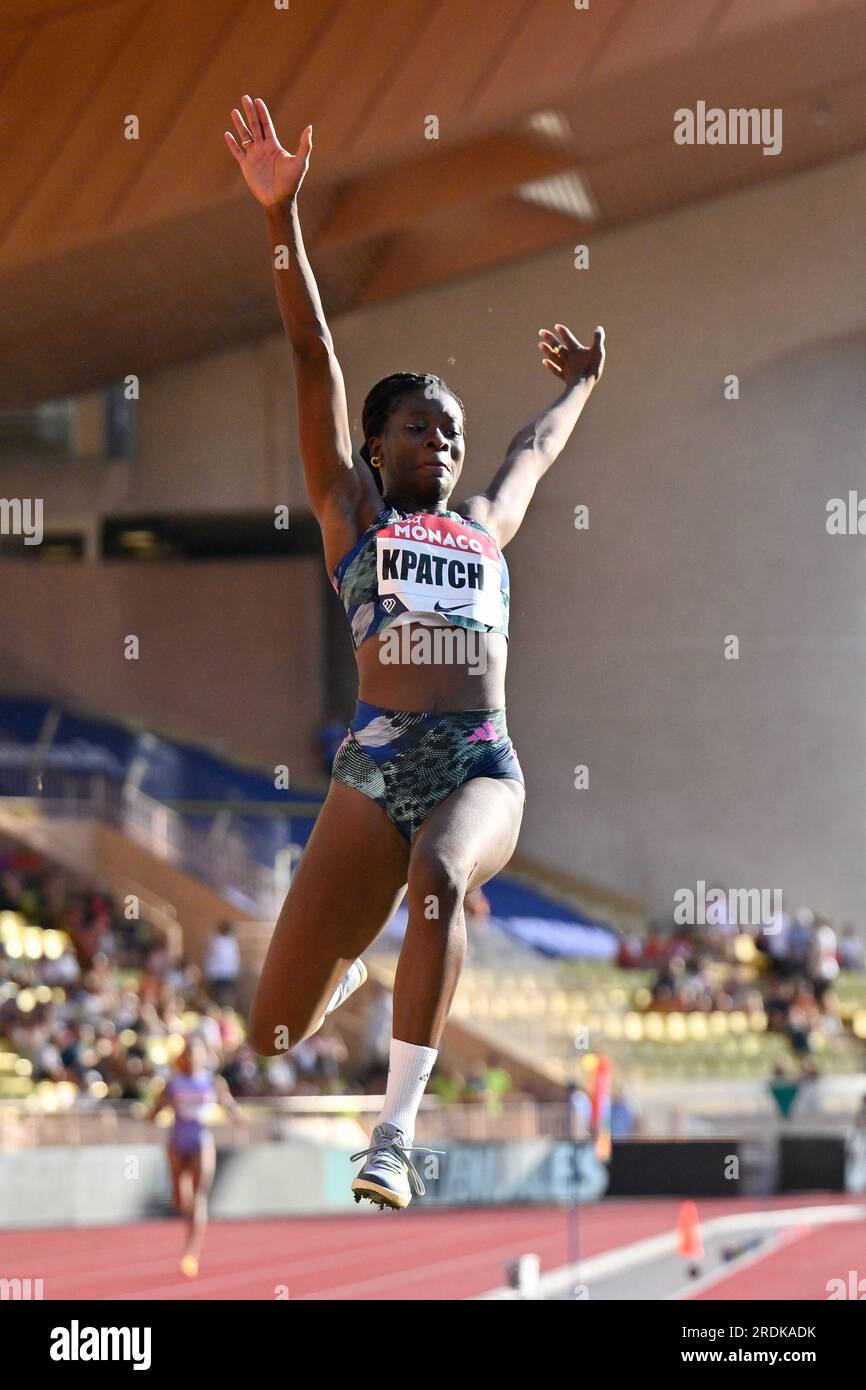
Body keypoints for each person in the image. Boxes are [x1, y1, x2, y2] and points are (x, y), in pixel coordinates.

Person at [225, 95, 605, 1210]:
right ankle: (349, 961)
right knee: (274, 1029)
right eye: (415, 425)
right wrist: (279, 218)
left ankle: (390, 1137)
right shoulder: (354, 517)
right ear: (373, 446)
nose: (437, 439)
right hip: (371, 767)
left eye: (448, 427)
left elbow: (531, 451)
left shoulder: (481, 525)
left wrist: (579, 383)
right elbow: (310, 348)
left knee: (440, 877)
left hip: (480, 762)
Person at [147, 1035, 245, 1278]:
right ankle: (188, 1213)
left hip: (201, 1139)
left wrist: (237, 1116)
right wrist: (158, 1107)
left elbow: (229, 1105)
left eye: (196, 1051)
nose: (192, 1056)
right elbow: (155, 1111)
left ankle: (191, 1253)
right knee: (181, 1199)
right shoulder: (173, 1082)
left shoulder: (213, 1082)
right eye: (188, 1052)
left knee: (199, 1196)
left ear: (204, 1055)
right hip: (178, 1141)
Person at [202, 921, 241, 1008]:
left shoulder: (216, 941)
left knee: (219, 999)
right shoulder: (231, 941)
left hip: (220, 975)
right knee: (221, 999)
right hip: (225, 974)